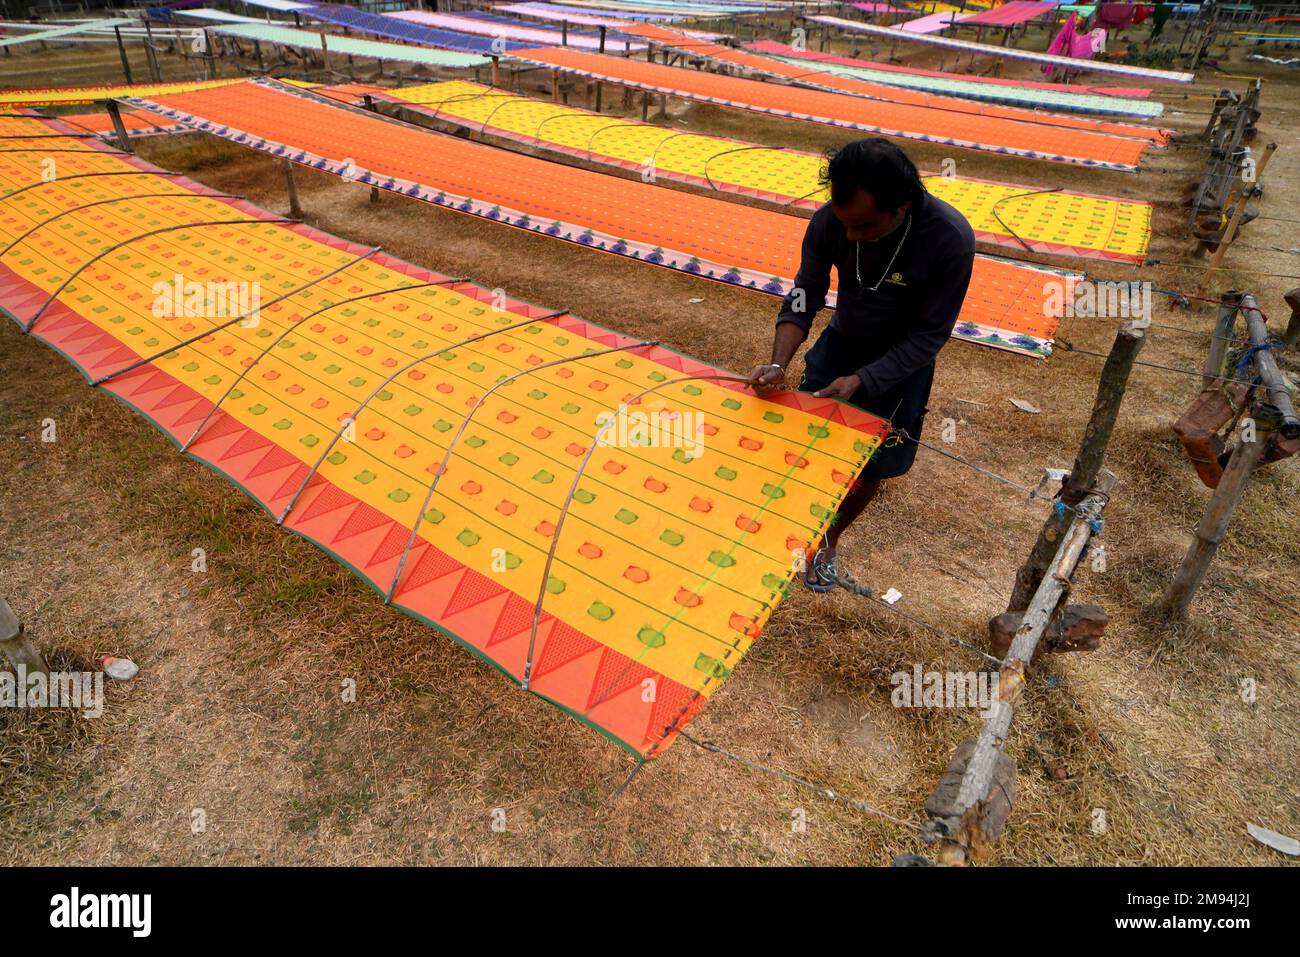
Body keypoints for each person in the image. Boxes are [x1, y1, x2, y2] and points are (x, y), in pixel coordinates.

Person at [749, 138, 975, 591]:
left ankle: (829, 539)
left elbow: (929, 336)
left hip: (902, 367)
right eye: (844, 223)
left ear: (903, 206)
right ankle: (794, 527)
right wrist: (778, 362)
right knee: (808, 445)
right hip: (842, 343)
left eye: (865, 226)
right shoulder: (829, 222)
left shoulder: (949, 239)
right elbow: (804, 293)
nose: (850, 236)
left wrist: (865, 380)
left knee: (870, 465)